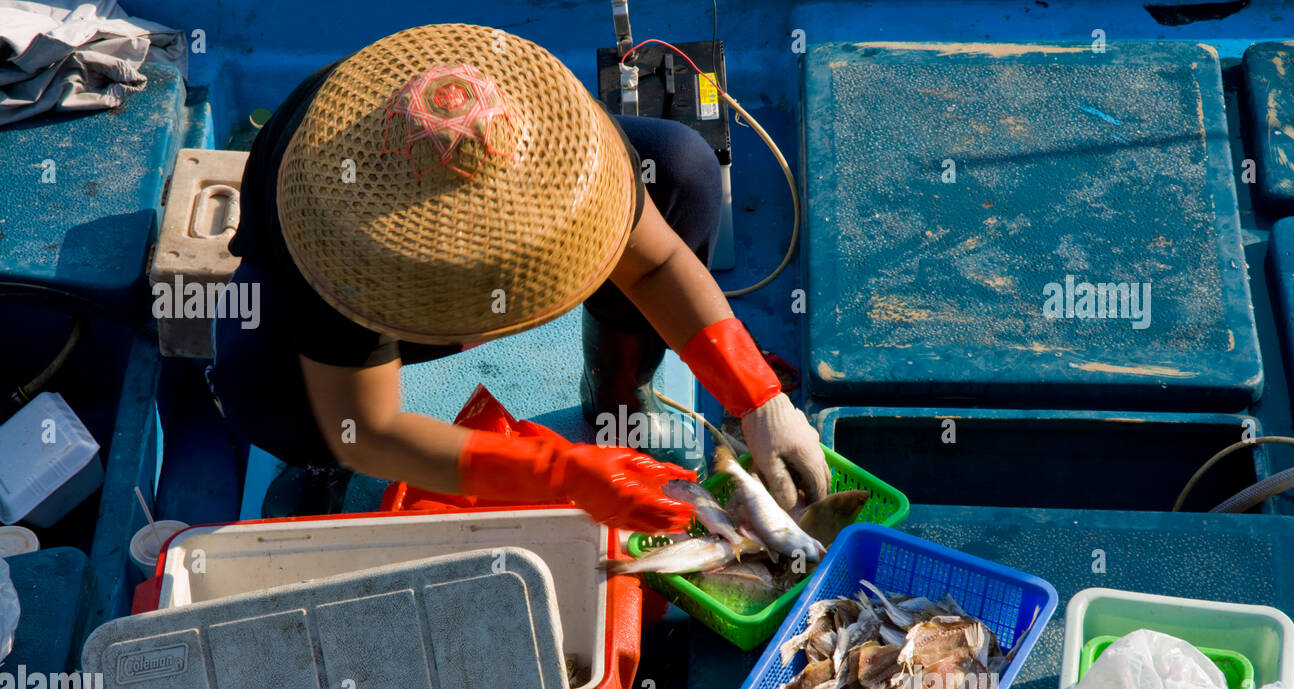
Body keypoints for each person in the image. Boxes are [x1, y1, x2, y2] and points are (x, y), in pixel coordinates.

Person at [207, 23, 828, 531]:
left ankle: (616, 389)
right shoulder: (336, 233)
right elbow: (370, 429)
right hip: (355, 311)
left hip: (435, 260)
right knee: (257, 385)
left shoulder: (556, 134)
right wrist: (561, 473)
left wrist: (758, 396)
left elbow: (659, 261)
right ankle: (319, 473)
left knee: (679, 167)